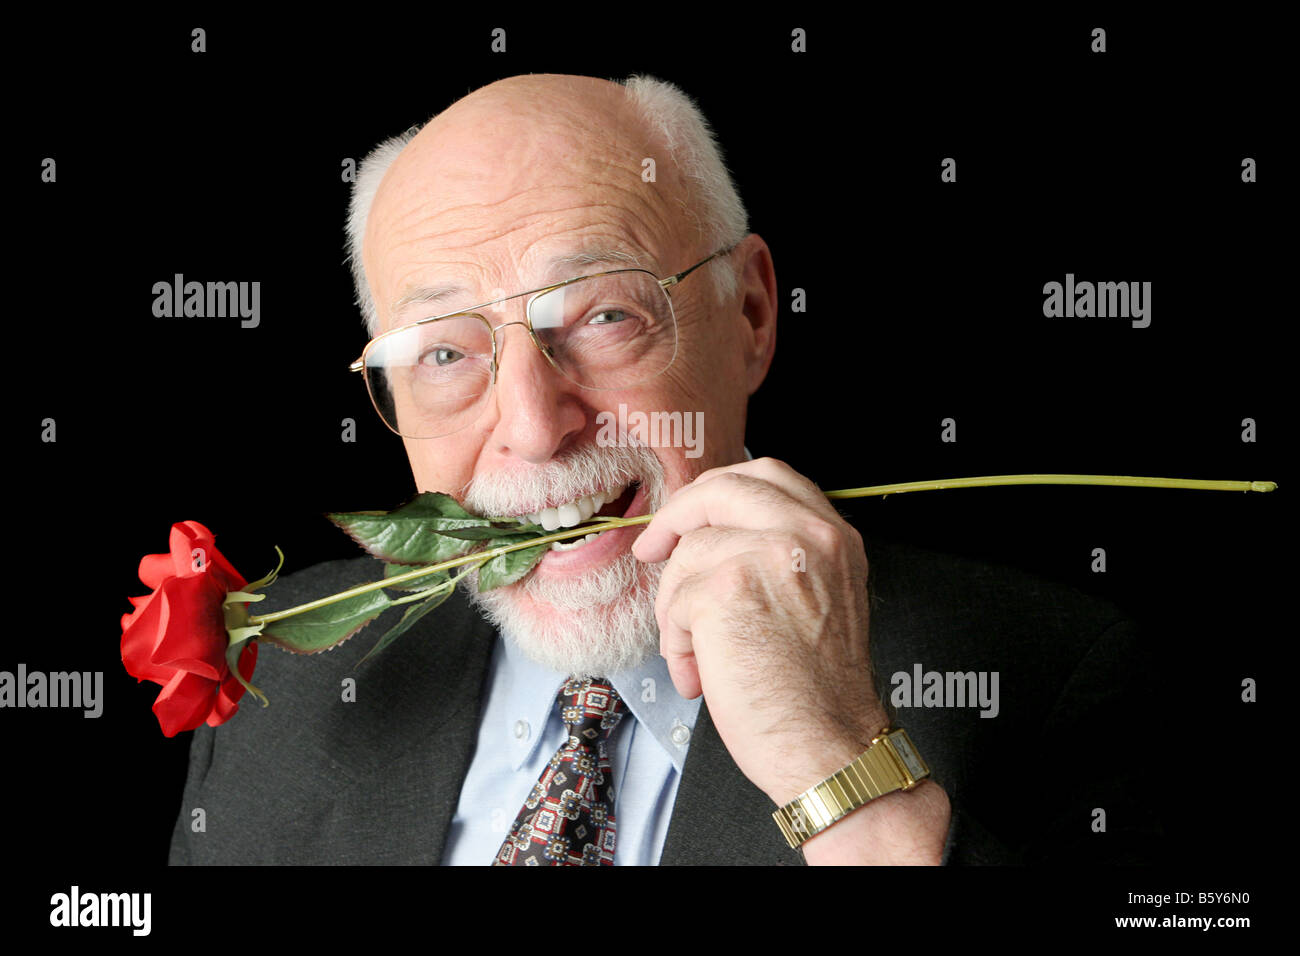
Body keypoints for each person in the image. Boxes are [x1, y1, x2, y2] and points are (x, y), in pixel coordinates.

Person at [169, 73, 1160, 866]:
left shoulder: (1051, 679)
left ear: (750, 315)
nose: (532, 425)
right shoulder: (287, 687)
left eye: (603, 316)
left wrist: (851, 785)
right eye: (443, 352)